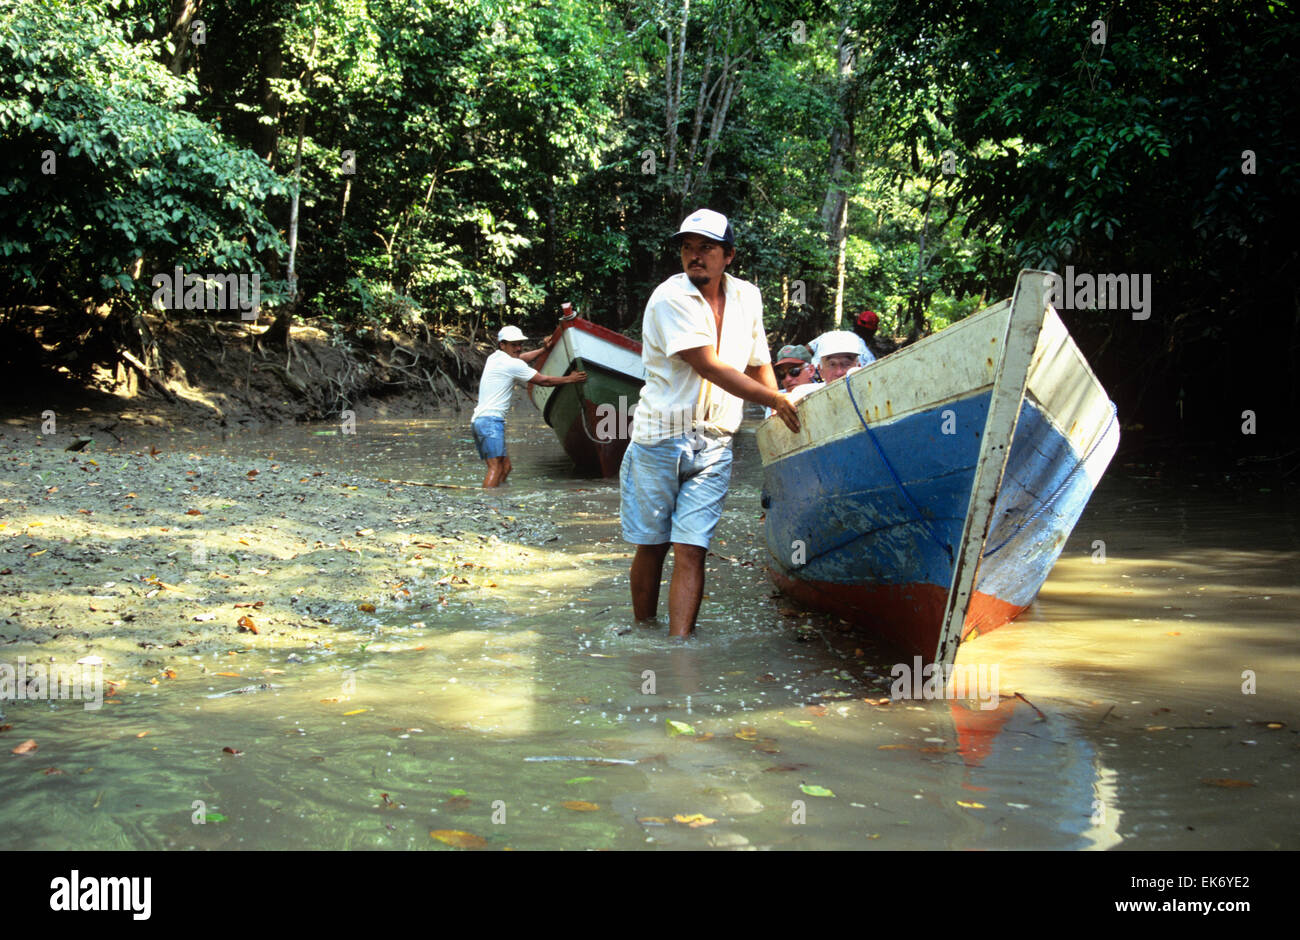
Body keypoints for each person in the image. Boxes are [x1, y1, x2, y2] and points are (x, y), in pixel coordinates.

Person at [620, 208, 800, 638]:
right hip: (660, 437)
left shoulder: (748, 297)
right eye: (687, 248)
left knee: (692, 548)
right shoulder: (669, 298)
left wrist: (777, 415)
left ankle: (679, 648)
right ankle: (645, 633)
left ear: (729, 256)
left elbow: (758, 363)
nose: (694, 256)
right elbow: (709, 366)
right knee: (653, 544)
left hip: (717, 440)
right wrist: (775, 398)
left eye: (706, 248)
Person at [471, 325, 586, 488]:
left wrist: (542, 351)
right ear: (502, 345)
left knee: (506, 467)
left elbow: (521, 358)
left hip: (482, 422)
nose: (518, 348)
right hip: (489, 422)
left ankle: (499, 499)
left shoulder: (495, 358)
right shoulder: (511, 364)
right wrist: (570, 379)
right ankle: (489, 506)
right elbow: (543, 381)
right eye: (513, 345)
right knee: (496, 468)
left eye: (519, 344)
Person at [809, 327, 876, 370]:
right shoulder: (826, 337)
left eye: (846, 364)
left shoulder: (827, 336)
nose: (839, 372)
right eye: (832, 364)